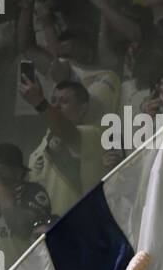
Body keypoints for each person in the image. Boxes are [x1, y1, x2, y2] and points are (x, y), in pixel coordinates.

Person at [20, 75, 103, 219]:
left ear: (83, 108)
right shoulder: (38, 149)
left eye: (64, 102)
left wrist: (39, 102)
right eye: (53, 101)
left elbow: (65, 130)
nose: (56, 105)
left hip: (79, 226)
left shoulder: (91, 134)